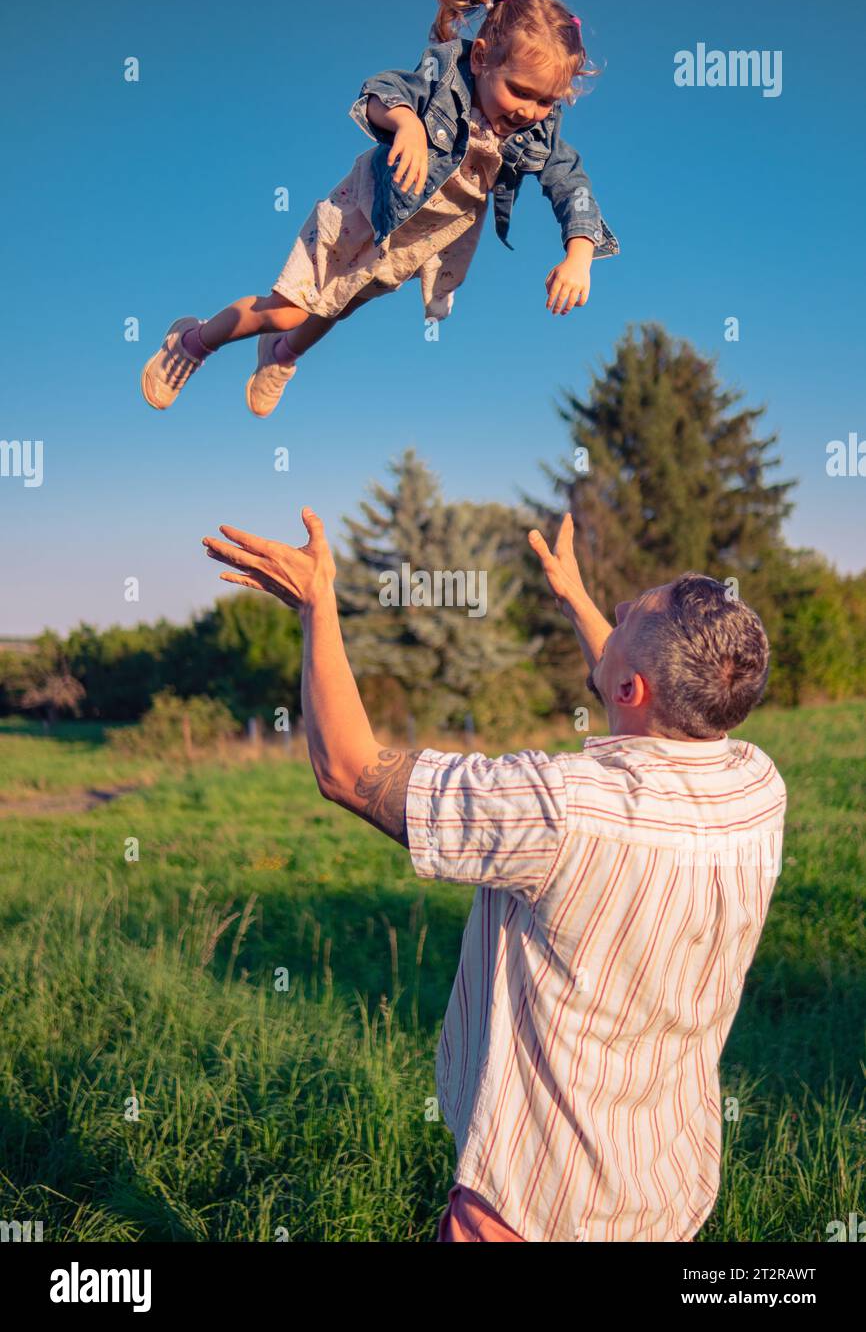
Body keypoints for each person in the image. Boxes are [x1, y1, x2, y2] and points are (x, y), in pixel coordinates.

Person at [201, 507, 787, 1243]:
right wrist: (574, 598)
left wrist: (320, 603)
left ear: (632, 689)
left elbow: (350, 771)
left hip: (530, 1205)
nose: (616, 607)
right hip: (664, 1186)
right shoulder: (755, 782)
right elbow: (657, 705)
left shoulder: (558, 808)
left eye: (629, 612)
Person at [142, 0, 618, 418]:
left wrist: (580, 256)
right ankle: (192, 342)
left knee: (340, 305)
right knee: (289, 309)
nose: (530, 111)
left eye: (546, 102)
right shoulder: (446, 74)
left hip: (412, 241)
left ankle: (280, 355)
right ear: (482, 58)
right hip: (363, 211)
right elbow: (381, 92)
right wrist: (407, 123)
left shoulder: (538, 132)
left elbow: (570, 185)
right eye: (521, 91)